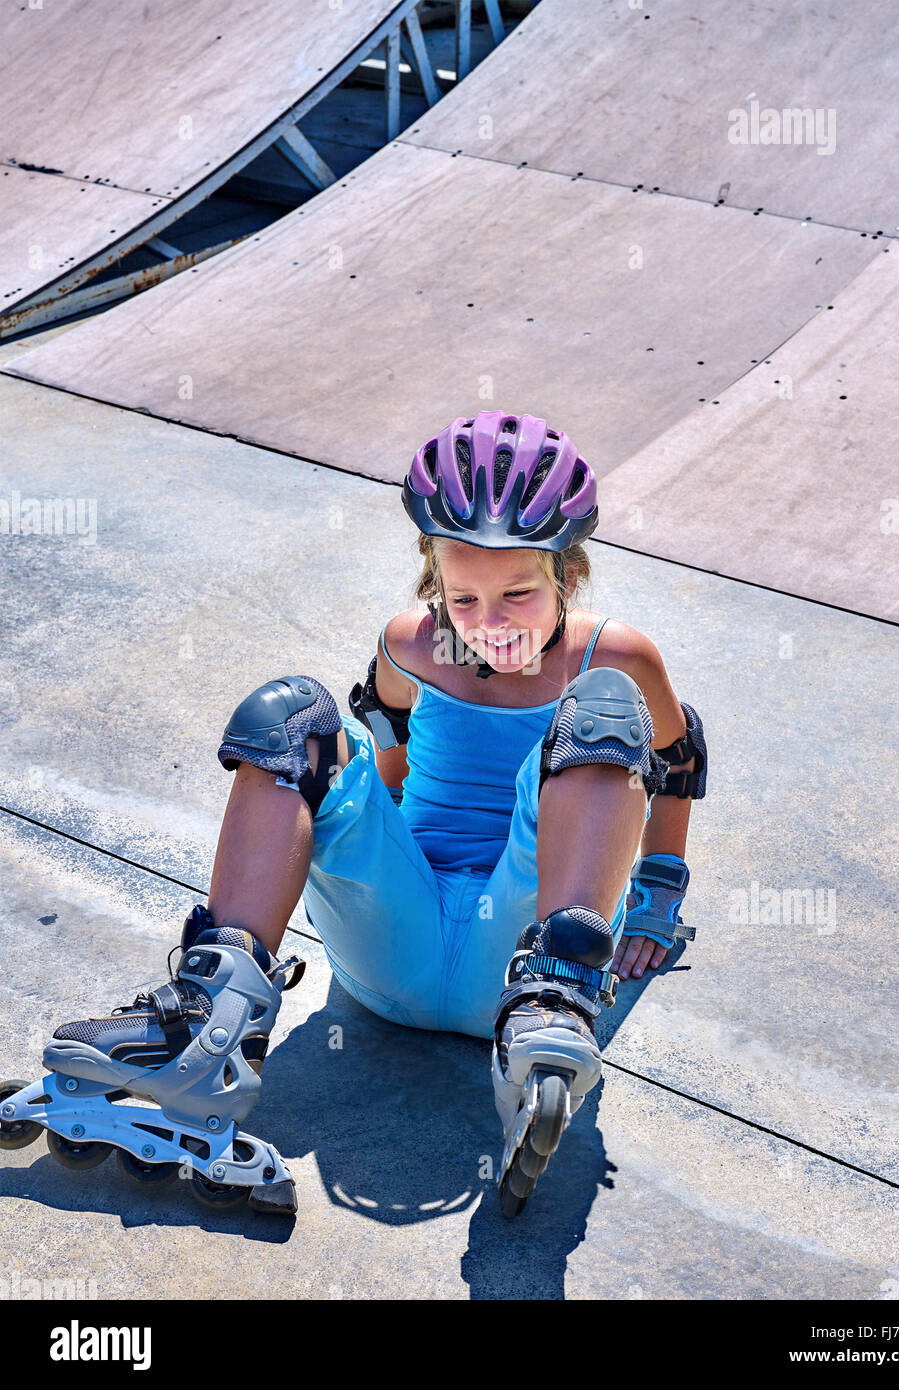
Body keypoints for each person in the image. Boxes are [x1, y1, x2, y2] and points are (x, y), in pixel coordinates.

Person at [6, 410, 706, 1219]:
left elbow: (679, 763)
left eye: (519, 592)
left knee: (606, 711)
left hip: (518, 961)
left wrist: (658, 890)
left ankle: (559, 991)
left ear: (567, 576)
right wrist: (355, 837)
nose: (491, 622)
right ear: (432, 580)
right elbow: (384, 774)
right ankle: (211, 1020)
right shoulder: (407, 647)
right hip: (389, 950)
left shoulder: (617, 657)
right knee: (293, 720)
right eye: (464, 595)